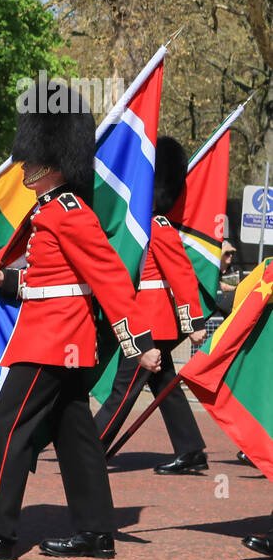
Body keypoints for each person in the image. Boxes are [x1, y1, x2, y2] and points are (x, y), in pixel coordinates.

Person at [0, 85, 160, 560]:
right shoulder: (48, 212)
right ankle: (97, 531)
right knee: (74, 434)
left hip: (52, 340)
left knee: (7, 426)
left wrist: (137, 341)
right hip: (53, 335)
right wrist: (10, 278)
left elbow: (109, 278)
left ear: (51, 161)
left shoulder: (69, 212)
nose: (22, 166)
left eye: (30, 158)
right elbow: (50, 281)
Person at [94, 137, 208, 473]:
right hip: (141, 314)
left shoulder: (157, 227)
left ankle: (90, 448)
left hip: (151, 320)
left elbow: (183, 276)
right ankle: (190, 449)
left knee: (123, 389)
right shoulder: (139, 227)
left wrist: (194, 322)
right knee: (165, 383)